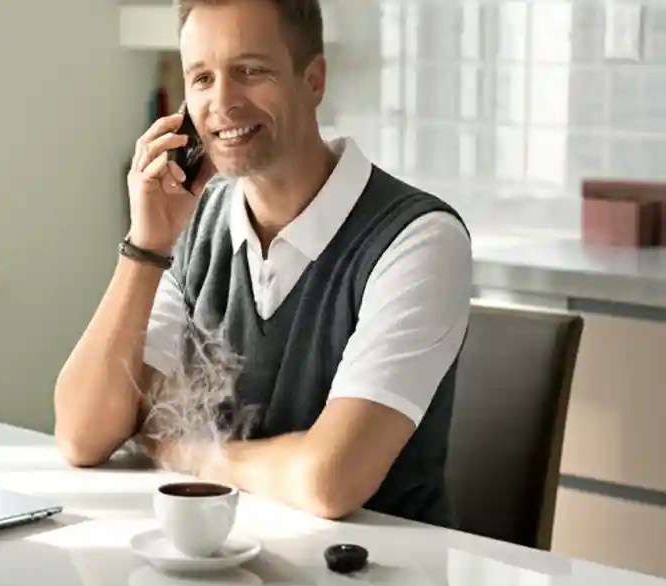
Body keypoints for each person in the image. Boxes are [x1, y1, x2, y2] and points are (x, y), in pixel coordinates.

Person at [52, 0, 472, 526]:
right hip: (232, 571)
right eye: (201, 78)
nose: (222, 103)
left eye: (250, 71)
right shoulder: (196, 225)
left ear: (314, 79)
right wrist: (146, 245)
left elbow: (330, 480)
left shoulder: (419, 239)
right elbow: (80, 434)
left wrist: (185, 451)